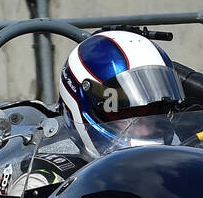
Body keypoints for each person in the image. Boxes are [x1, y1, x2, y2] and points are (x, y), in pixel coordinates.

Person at [58, 29, 187, 157]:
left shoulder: (186, 155)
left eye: (153, 113)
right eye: (126, 115)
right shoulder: (48, 174)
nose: (145, 129)